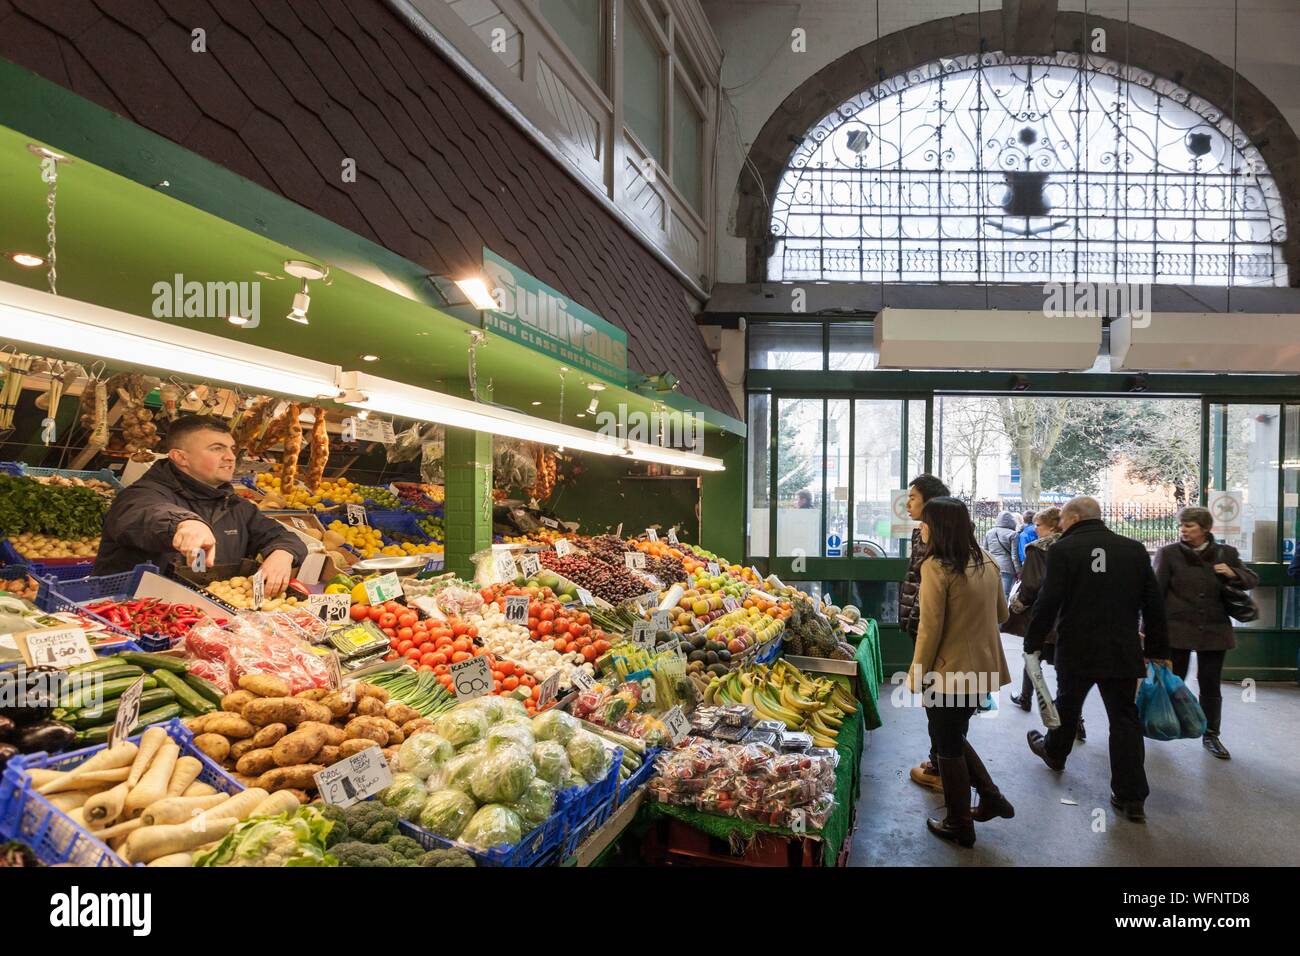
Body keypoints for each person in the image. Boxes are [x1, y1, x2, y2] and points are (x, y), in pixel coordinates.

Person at [1023, 496, 1169, 823]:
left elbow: (1048, 602)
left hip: (1077, 647)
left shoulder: (1062, 550)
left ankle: (1056, 753)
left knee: (1068, 704)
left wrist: (1032, 642)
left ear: (1074, 517)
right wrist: (1158, 650)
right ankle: (1131, 797)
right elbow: (1154, 604)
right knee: (1124, 718)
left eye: (1062, 519)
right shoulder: (1133, 550)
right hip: (1122, 648)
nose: (1060, 524)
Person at [94, 415, 308, 597]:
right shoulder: (139, 495)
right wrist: (185, 524)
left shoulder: (237, 507)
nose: (230, 457)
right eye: (217, 449)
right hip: (136, 616)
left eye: (232, 449)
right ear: (180, 457)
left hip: (206, 620)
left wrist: (283, 553)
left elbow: (283, 536)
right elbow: (148, 513)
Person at [907, 496, 1014, 847]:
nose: (920, 528)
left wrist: (917, 674)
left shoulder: (936, 568)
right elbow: (1002, 614)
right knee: (951, 734)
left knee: (948, 744)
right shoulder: (984, 560)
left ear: (938, 527)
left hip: (949, 670)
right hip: (982, 665)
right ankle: (990, 796)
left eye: (925, 522)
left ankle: (959, 822)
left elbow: (929, 628)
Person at [1154, 506, 1258, 760]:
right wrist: (1148, 630)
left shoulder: (1226, 553)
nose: (1184, 530)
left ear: (1205, 528)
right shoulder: (1168, 554)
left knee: (1210, 684)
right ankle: (1162, 724)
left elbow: (1252, 580)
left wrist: (1232, 572)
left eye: (1190, 526)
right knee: (1172, 680)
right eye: (1182, 526)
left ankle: (1211, 734)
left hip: (1214, 629)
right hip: (1177, 628)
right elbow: (1155, 592)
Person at [1003, 508, 1086, 741]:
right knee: (1065, 672)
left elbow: (1031, 585)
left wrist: (1016, 606)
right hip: (1071, 617)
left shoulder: (1040, 549)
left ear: (1051, 526)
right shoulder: (1078, 547)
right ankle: (1075, 719)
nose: (1035, 528)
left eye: (1038, 524)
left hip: (1045, 616)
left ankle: (1026, 698)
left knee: (1032, 657)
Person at [897, 474, 951, 793]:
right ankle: (940, 760)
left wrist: (918, 622)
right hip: (919, 624)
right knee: (935, 701)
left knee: (938, 701)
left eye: (913, 497)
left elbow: (929, 588)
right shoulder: (924, 531)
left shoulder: (937, 534)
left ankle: (942, 764)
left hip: (930, 628)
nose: (908, 503)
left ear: (929, 501)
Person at [984, 511, 1020, 597]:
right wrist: (1018, 571)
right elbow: (1014, 556)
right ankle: (1003, 610)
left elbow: (985, 550)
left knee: (991, 592)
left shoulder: (989, 532)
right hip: (1007, 567)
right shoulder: (1013, 534)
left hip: (991, 564)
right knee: (1004, 593)